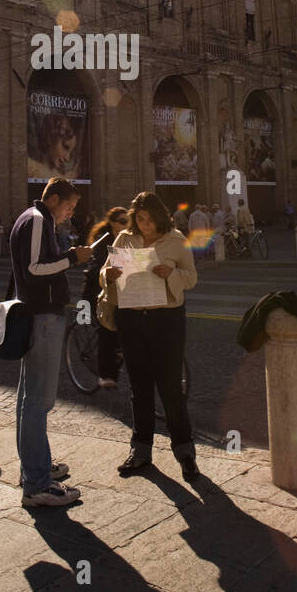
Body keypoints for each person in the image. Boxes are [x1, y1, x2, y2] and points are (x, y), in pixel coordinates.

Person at [100, 191, 199, 482]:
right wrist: (109, 275)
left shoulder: (177, 240)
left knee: (170, 388)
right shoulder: (124, 239)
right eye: (139, 219)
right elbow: (104, 272)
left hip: (166, 319)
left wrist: (170, 273)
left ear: (160, 216)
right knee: (139, 388)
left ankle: (185, 453)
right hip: (131, 319)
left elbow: (191, 278)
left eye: (149, 219)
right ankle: (140, 451)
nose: (144, 224)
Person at [9, 177, 93, 508]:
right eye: (69, 207)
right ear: (54, 199)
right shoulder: (37, 220)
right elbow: (33, 269)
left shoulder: (33, 219)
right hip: (42, 317)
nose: (70, 214)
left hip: (38, 316)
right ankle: (37, 484)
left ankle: (35, 468)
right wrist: (73, 258)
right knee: (37, 401)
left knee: (29, 400)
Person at [83, 207, 128, 388]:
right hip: (96, 293)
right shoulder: (105, 241)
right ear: (112, 223)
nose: (127, 225)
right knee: (107, 328)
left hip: (121, 292)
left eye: (129, 221)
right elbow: (96, 269)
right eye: (123, 221)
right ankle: (105, 374)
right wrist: (108, 273)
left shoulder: (127, 240)